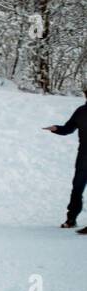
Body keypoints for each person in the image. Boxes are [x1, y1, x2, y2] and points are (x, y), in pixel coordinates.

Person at [44, 86, 87, 233]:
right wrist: (56, 128)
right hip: (83, 158)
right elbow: (69, 128)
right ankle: (71, 219)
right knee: (77, 189)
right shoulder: (81, 111)